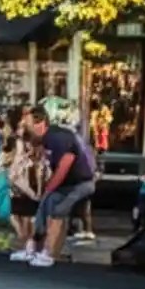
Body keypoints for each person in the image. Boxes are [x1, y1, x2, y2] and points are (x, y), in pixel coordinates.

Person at [28, 107, 97, 268]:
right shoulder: (46, 139)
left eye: (28, 122)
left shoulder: (57, 137)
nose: (26, 125)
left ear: (40, 123)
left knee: (58, 210)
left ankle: (49, 254)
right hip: (68, 185)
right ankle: (34, 248)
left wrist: (49, 187)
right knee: (47, 206)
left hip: (81, 184)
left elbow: (66, 163)